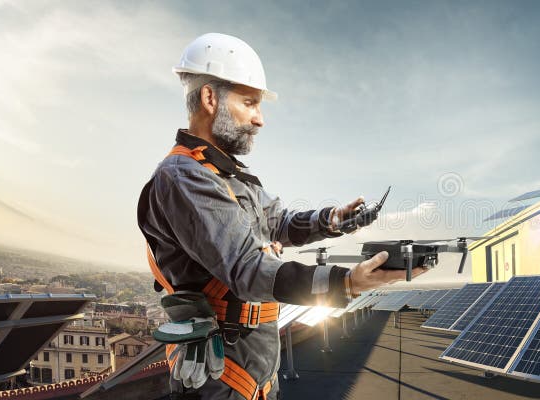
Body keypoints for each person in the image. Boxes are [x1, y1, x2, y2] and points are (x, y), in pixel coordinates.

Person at [137, 33, 426, 399]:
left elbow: (277, 223)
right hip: (220, 381)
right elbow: (248, 270)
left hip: (254, 375)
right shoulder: (184, 178)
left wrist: (331, 220)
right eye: (250, 103)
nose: (260, 120)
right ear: (210, 98)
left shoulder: (229, 176)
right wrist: (347, 283)